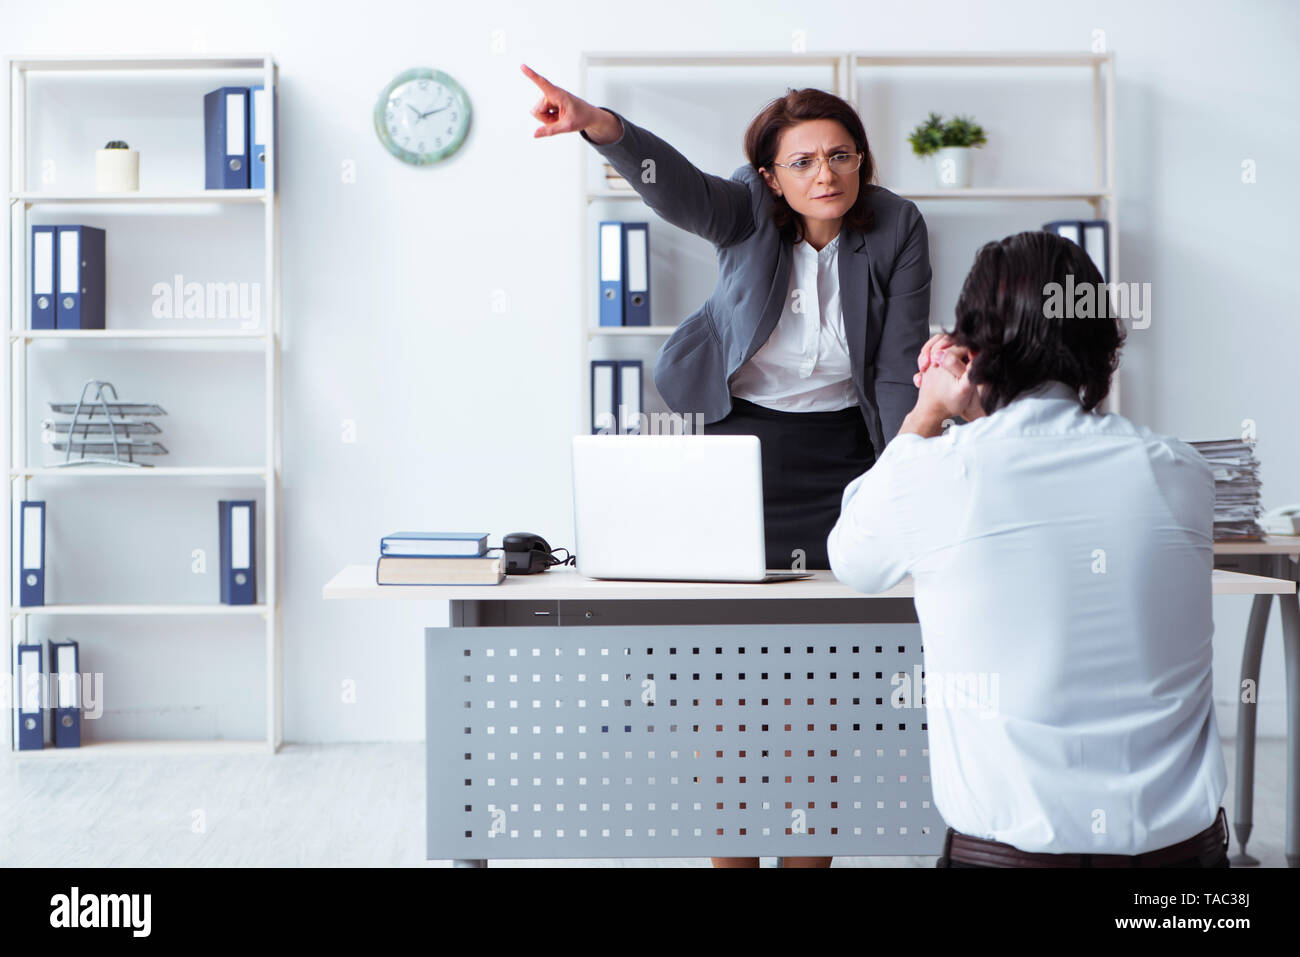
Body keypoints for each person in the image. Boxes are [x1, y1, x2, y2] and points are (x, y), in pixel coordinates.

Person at [524, 63, 931, 869]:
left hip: (845, 454)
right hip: (736, 446)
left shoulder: (897, 225)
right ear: (772, 177)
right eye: (805, 161)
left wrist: (900, 473)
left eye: (842, 155)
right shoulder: (745, 211)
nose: (827, 173)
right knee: (727, 687)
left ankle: (809, 859)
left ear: (863, 162)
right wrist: (599, 123)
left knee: (822, 688)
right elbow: (675, 189)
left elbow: (897, 360)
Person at [828, 230, 1231, 868]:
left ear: (970, 348)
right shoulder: (1180, 472)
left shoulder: (937, 475)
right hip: (1184, 870)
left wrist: (926, 415)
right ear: (1104, 342)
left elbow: (854, 560)